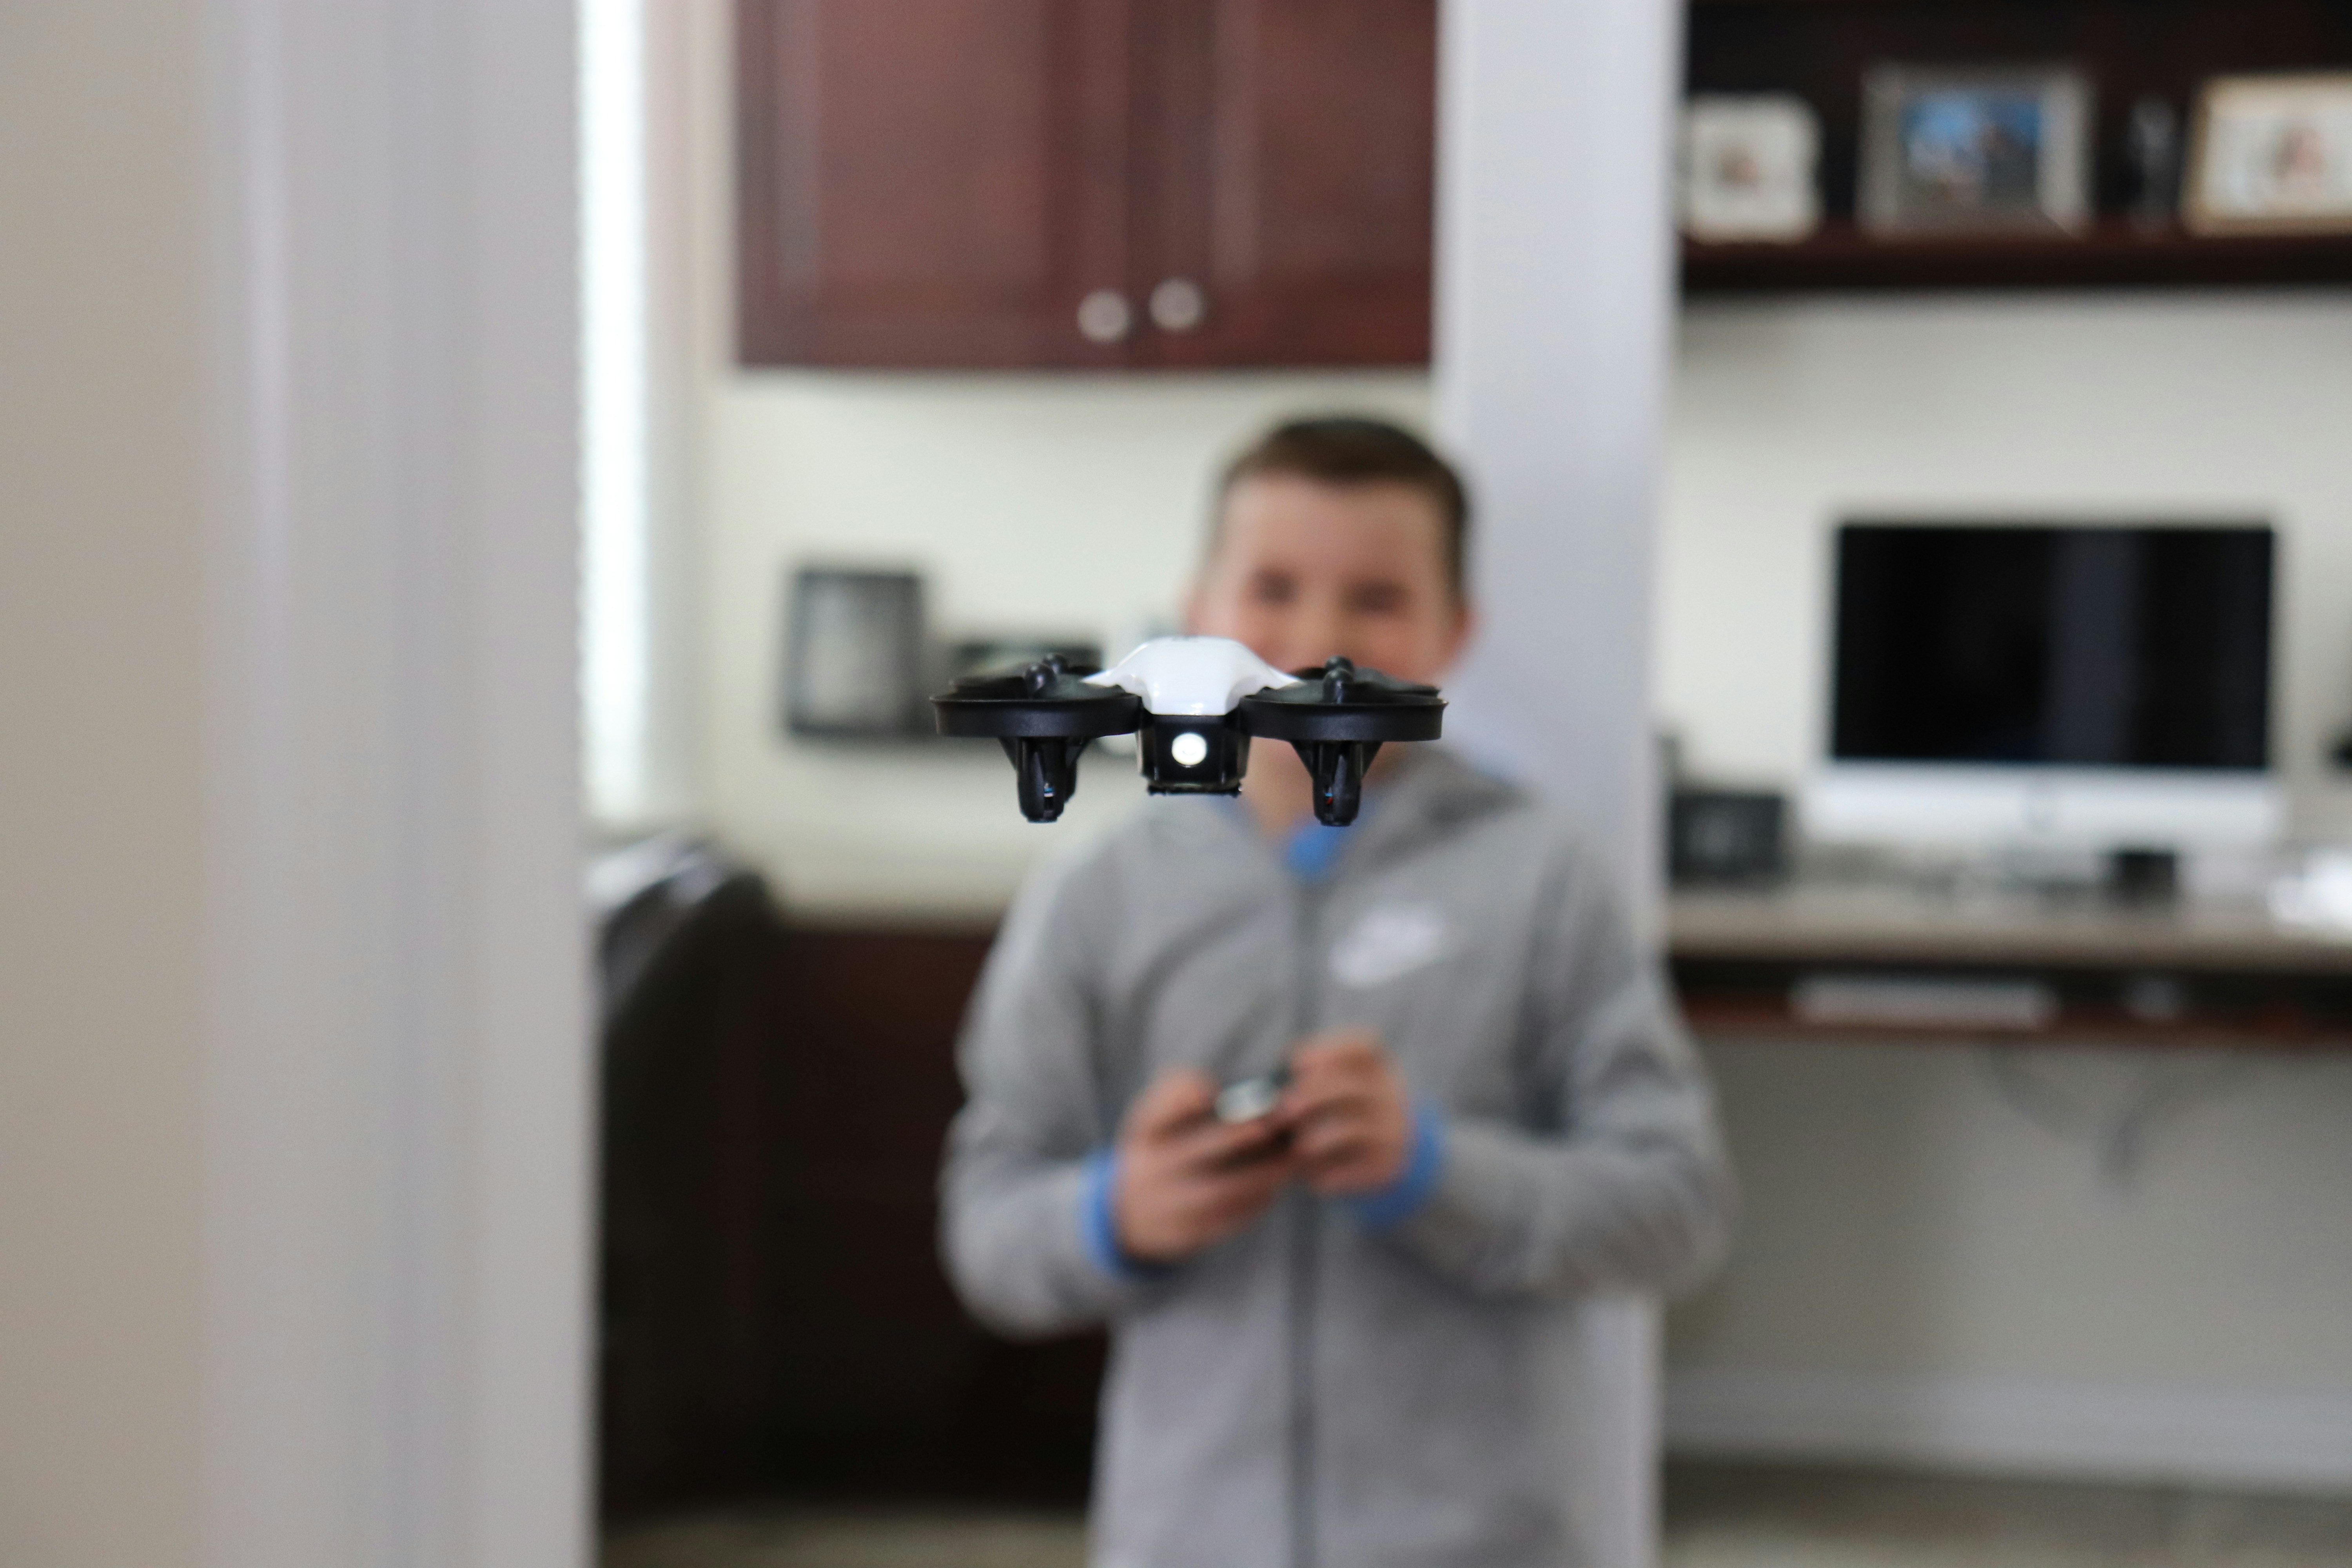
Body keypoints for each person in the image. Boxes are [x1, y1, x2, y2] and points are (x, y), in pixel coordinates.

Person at [940, 416, 1734, 1568]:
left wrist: (1431, 1170)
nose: (1316, 643)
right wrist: (1117, 1212)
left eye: (1375, 600)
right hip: (1185, 1534)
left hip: (1484, 1539)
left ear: (1451, 634)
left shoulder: (1545, 879)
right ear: (1196, 612)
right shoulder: (1096, 897)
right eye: (1271, 588)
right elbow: (988, 1231)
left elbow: (1676, 1214)